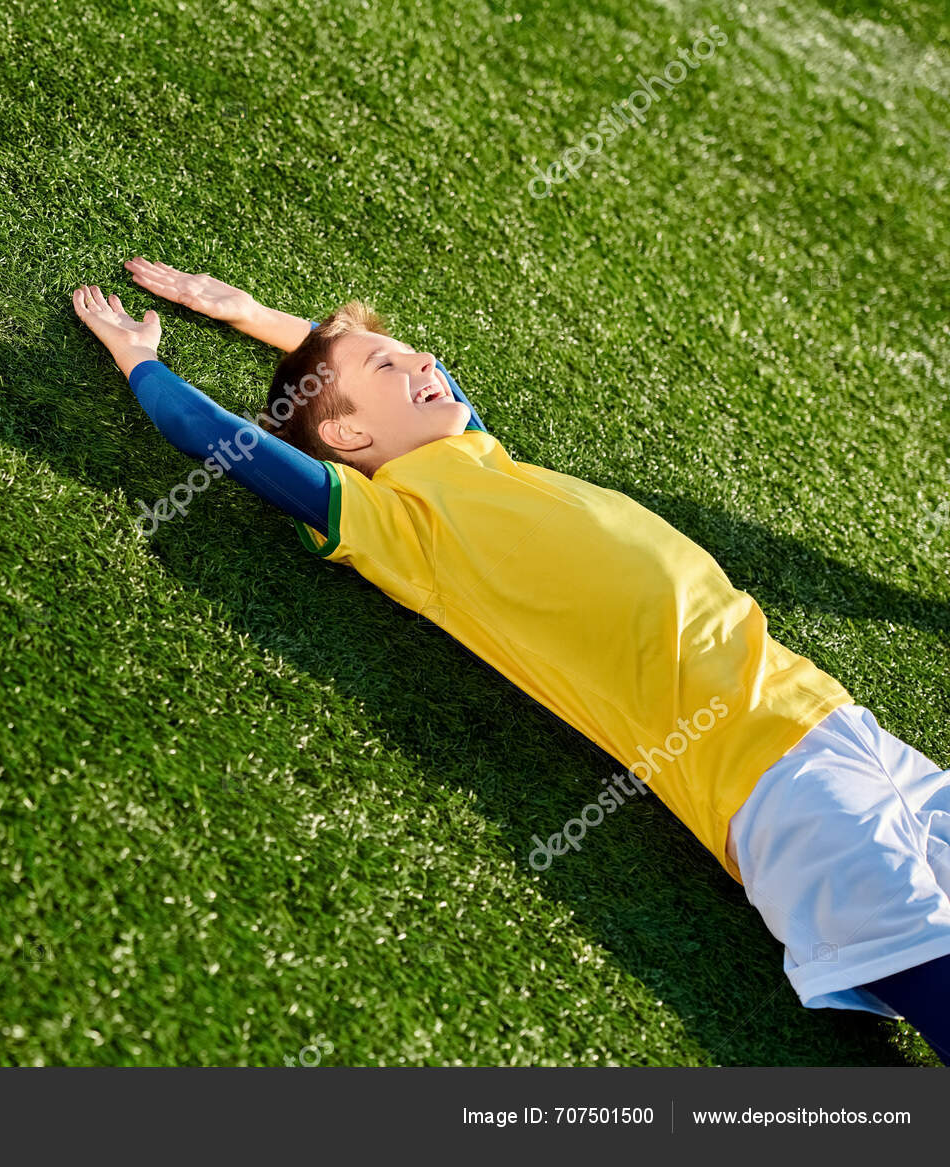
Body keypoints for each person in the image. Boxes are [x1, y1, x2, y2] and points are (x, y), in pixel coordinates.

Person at [69, 258, 950, 1063]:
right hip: (773, 786)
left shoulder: (478, 454)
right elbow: (225, 437)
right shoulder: (401, 528)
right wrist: (140, 357)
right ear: (341, 437)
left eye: (412, 351)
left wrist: (262, 316)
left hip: (852, 731)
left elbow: (374, 383)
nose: (423, 360)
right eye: (387, 366)